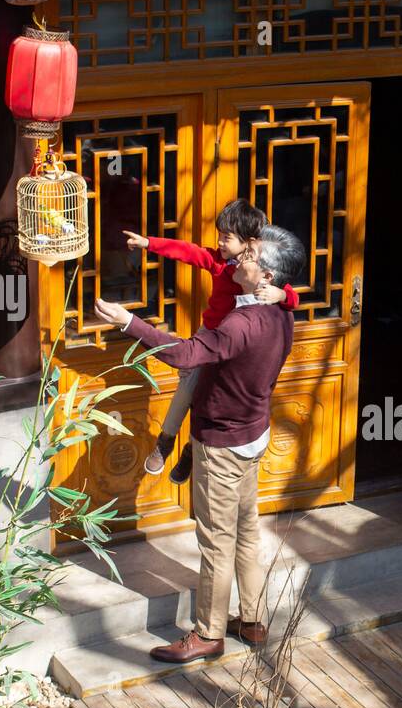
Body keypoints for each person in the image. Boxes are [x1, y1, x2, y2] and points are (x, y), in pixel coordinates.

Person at [92, 226, 306, 662]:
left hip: (223, 444)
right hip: (253, 434)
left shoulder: (243, 324)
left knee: (215, 540)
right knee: (246, 531)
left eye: (248, 254)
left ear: (264, 275)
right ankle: (252, 618)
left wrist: (128, 323)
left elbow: (185, 354)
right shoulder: (281, 310)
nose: (238, 258)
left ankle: (208, 633)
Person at [125, 199, 300, 483]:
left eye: (226, 237)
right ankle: (165, 442)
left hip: (239, 348)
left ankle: (191, 451)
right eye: (219, 235)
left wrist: (281, 296)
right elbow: (188, 252)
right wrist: (148, 243)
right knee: (189, 388)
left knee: (214, 400)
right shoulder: (220, 263)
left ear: (250, 243)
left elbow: (292, 295)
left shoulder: (264, 271)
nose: (219, 242)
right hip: (211, 336)